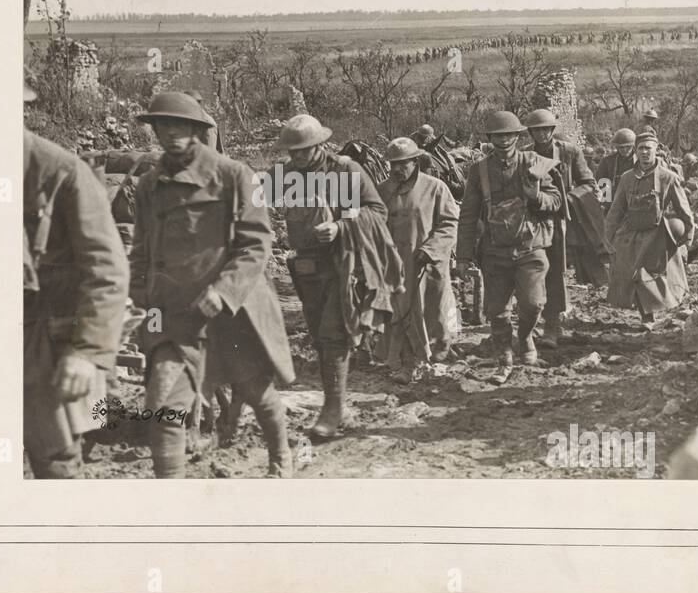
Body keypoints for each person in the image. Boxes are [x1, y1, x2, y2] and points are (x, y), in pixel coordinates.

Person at [128, 92, 295, 478]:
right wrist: (138, 306)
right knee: (165, 410)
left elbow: (257, 243)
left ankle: (280, 456)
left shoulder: (236, 175)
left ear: (198, 131)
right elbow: (140, 253)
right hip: (172, 318)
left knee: (256, 392)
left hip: (232, 315)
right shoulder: (148, 187)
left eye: (180, 126)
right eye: (163, 126)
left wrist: (223, 291)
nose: (171, 134)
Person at [23, 84, 128, 479]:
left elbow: (107, 271)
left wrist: (87, 351)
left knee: (54, 461)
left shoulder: (60, 172)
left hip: (43, 347)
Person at [275, 113, 400, 439]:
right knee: (319, 337)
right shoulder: (285, 175)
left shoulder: (346, 170)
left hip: (342, 265)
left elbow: (377, 211)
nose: (298, 157)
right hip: (304, 270)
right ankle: (339, 406)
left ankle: (332, 411)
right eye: (293, 152)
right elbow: (265, 209)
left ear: (319, 145)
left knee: (334, 336)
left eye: (304, 150)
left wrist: (342, 226)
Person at [456, 110, 563, 378]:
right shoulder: (478, 170)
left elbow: (557, 201)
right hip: (494, 249)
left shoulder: (536, 162)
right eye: (498, 136)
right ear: (490, 138)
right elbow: (468, 215)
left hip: (531, 246)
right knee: (497, 310)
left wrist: (536, 197)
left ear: (518, 136)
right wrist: (463, 256)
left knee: (534, 303)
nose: (504, 141)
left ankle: (525, 336)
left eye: (509, 136)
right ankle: (504, 353)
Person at [377, 137, 460, 380]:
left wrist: (432, 249)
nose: (396, 169)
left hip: (426, 263)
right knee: (397, 311)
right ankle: (403, 359)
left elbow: (449, 223)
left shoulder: (435, 188)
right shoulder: (382, 190)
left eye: (403, 163)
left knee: (432, 310)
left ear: (415, 162)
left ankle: (436, 354)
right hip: (394, 263)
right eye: (392, 164)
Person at [604, 129, 694, 331]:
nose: (644, 152)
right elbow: (616, 209)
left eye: (648, 148)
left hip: (656, 234)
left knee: (653, 275)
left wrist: (688, 235)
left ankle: (652, 315)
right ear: (636, 151)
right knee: (631, 273)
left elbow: (684, 209)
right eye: (641, 149)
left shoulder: (668, 177)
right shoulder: (627, 178)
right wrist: (607, 237)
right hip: (630, 233)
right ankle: (646, 316)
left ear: (656, 150)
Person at [523, 108, 598, 348]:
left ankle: (552, 326)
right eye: (536, 131)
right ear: (531, 133)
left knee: (554, 273)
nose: (541, 134)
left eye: (545, 130)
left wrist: (568, 199)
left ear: (552, 131)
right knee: (527, 272)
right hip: (530, 222)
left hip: (556, 222)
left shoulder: (569, 152)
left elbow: (588, 184)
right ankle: (527, 324)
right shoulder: (524, 155)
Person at [595, 128, 637, 210]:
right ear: (616, 147)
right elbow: (602, 181)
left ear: (633, 146)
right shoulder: (607, 161)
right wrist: (606, 204)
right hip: (613, 202)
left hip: (635, 202)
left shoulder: (640, 161)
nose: (624, 150)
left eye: (628, 147)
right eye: (621, 147)